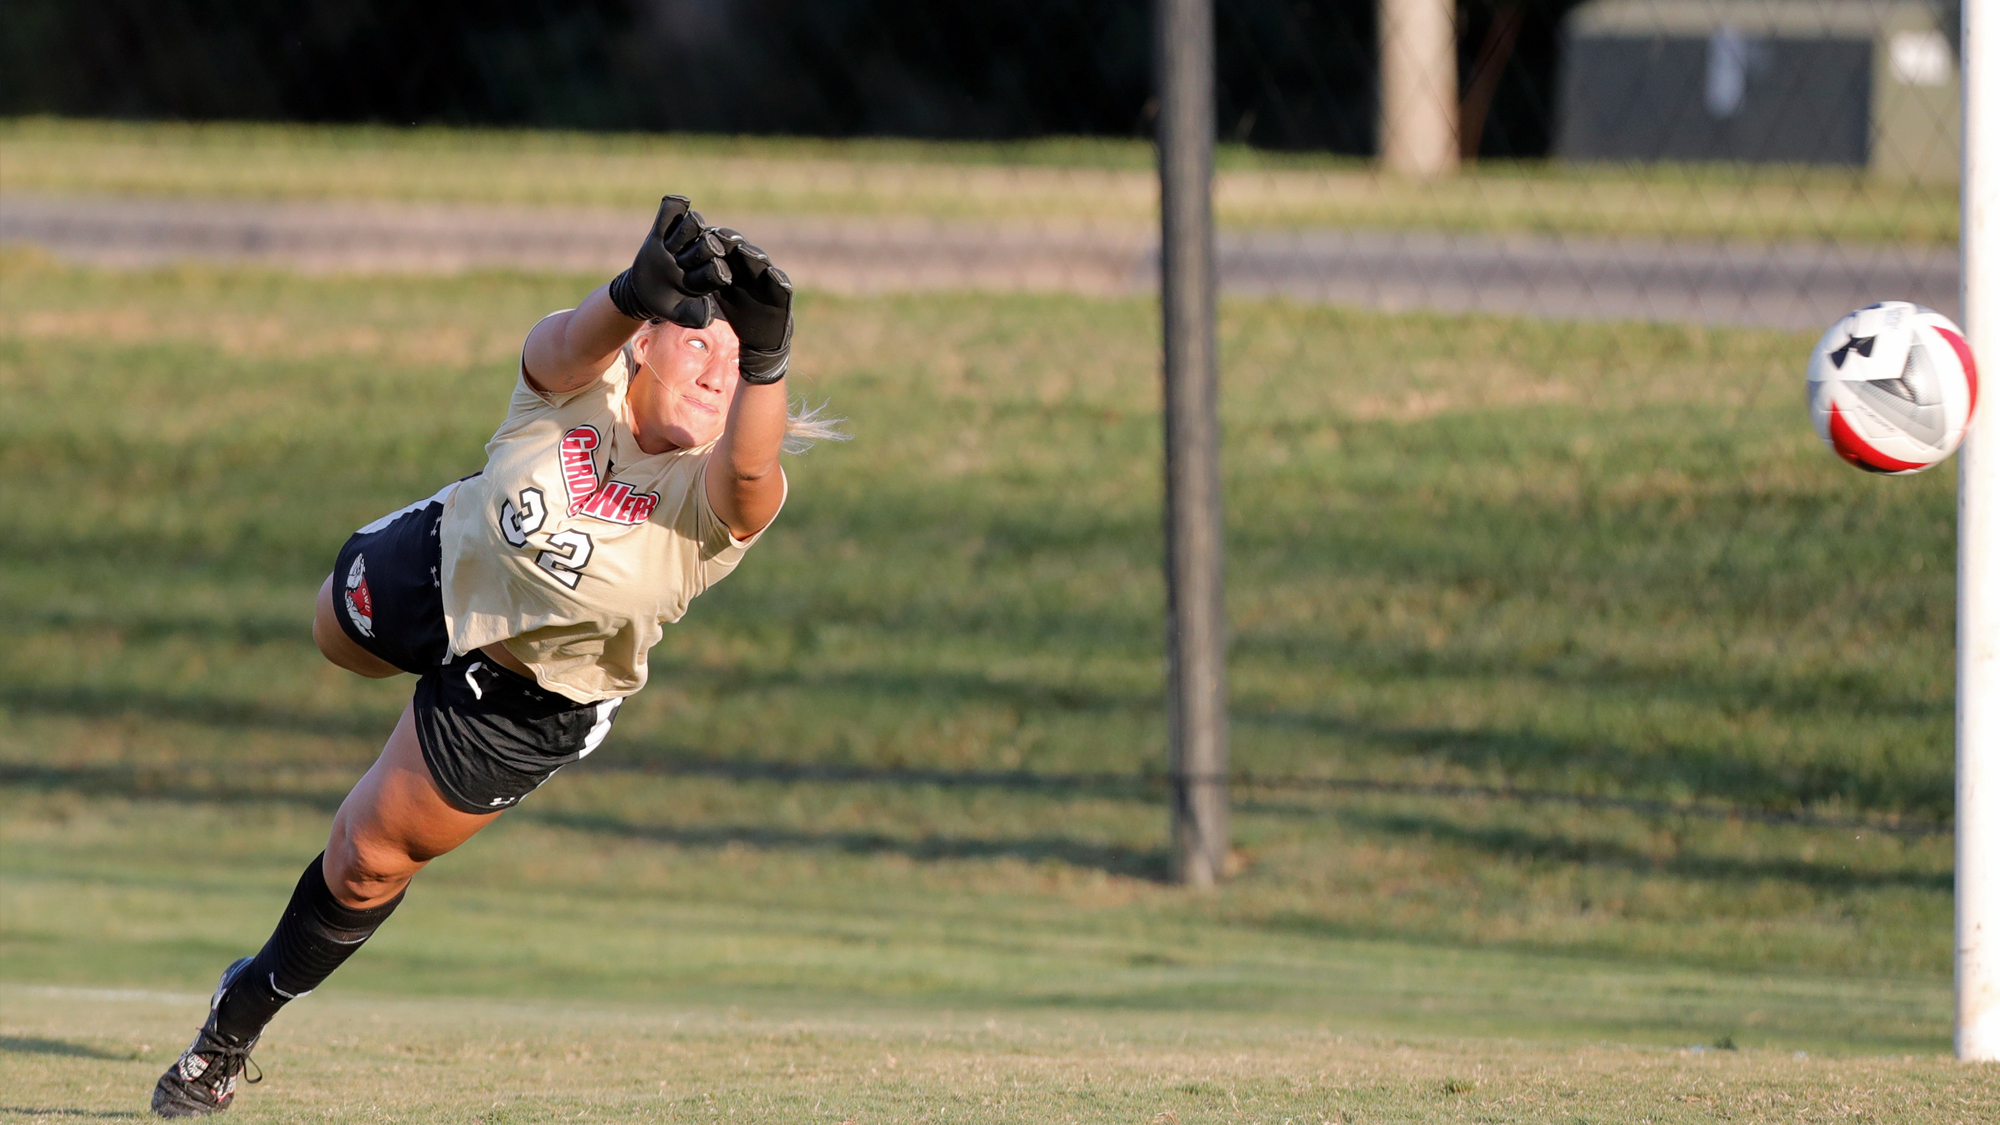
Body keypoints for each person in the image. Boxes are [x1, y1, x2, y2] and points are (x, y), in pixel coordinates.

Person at [150, 198, 841, 1117]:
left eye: (736, 358)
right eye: (698, 341)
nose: (718, 370)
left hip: (526, 700)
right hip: (445, 567)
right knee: (327, 631)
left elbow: (752, 476)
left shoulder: (709, 497)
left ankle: (234, 1024)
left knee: (364, 858)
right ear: (645, 344)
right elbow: (555, 344)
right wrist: (632, 291)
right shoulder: (579, 382)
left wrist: (770, 360)